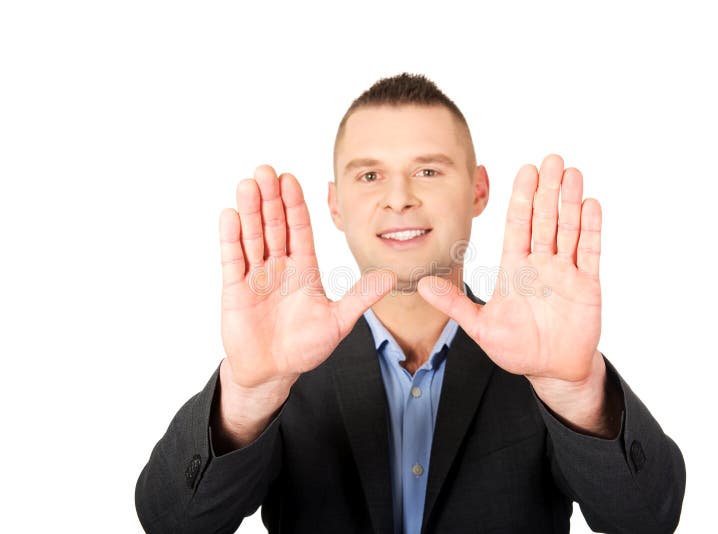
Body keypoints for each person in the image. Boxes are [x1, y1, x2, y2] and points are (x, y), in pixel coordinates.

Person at [135, 72, 686, 533]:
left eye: (428, 170)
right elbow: (170, 523)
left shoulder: (538, 360)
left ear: (478, 191)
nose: (399, 198)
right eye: (370, 175)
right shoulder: (287, 364)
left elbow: (646, 519)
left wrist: (575, 390)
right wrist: (249, 396)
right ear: (335, 204)